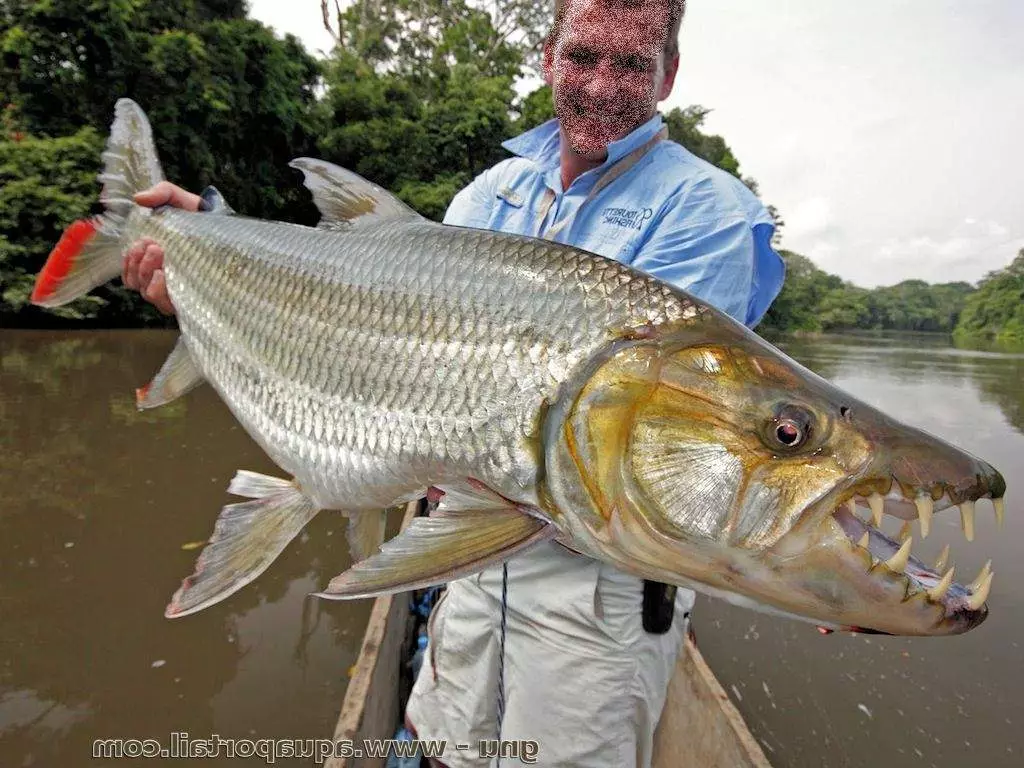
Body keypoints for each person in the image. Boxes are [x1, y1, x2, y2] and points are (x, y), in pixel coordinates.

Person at [123, 0, 784, 765]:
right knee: (444, 751)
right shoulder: (487, 195)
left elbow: (655, 456)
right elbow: (361, 306)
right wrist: (205, 238)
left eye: (631, 63)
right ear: (548, 58)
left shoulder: (709, 216)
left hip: (595, 607)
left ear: (668, 74)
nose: (602, 85)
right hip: (465, 569)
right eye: (583, 58)